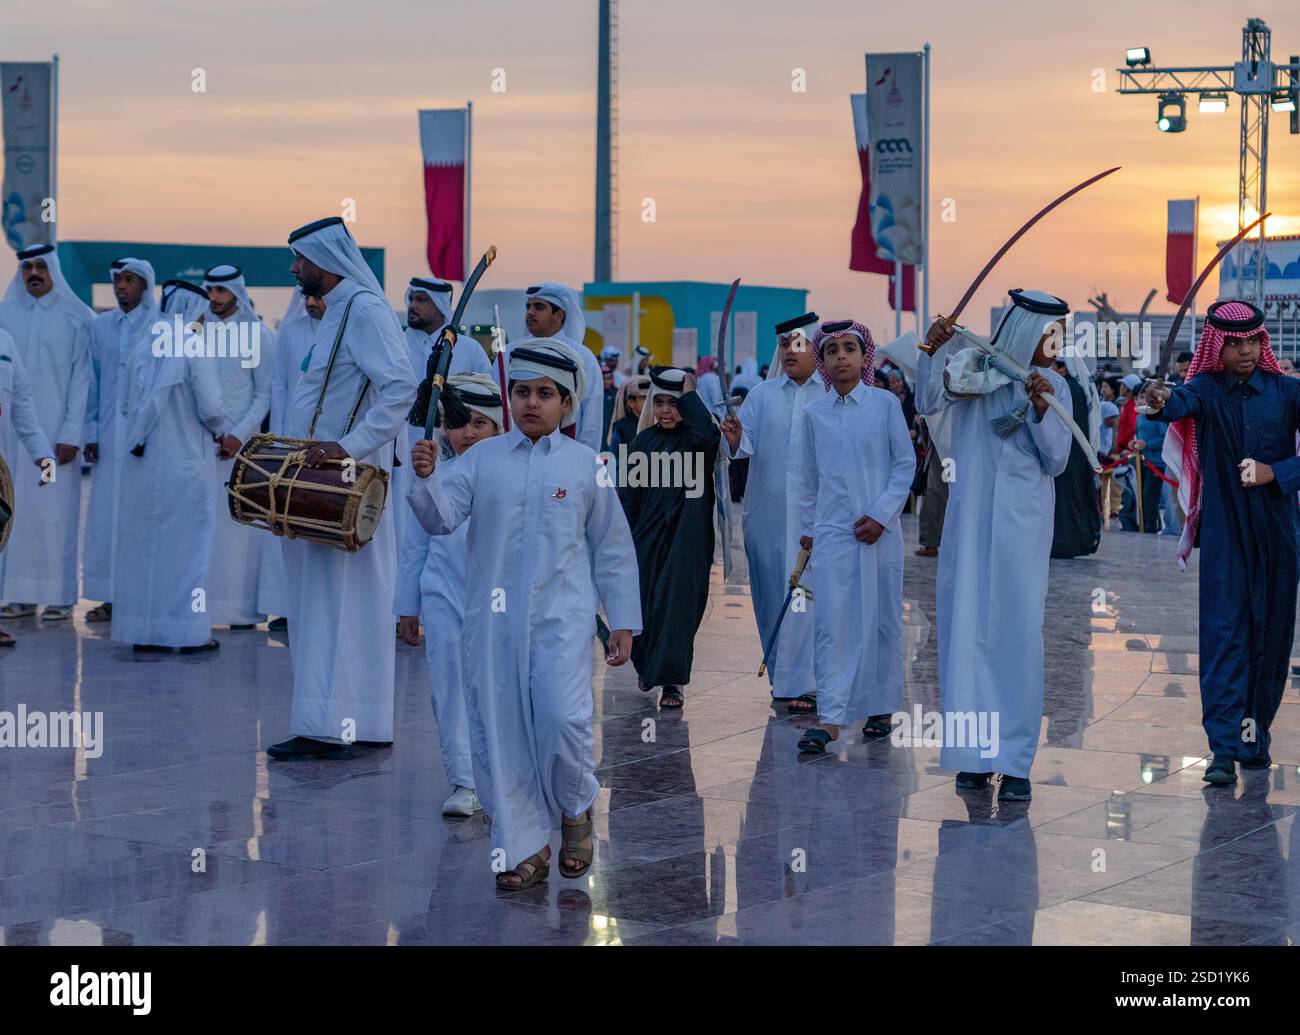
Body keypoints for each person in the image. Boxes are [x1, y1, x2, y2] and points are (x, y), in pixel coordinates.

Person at [406, 337, 640, 889]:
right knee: (502, 730)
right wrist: (424, 478)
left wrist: (623, 619)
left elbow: (612, 547)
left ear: (566, 404)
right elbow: (440, 519)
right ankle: (523, 846)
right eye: (522, 392)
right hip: (491, 625)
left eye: (545, 394)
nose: (531, 403)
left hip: (562, 621)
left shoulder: (588, 466)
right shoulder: (482, 459)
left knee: (562, 720)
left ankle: (576, 807)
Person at [266, 217, 417, 761]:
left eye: (299, 259)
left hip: (346, 482)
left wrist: (350, 447)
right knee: (318, 601)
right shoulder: (336, 312)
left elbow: (401, 388)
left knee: (347, 600)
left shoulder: (366, 310)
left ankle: (344, 724)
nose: (293, 269)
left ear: (324, 260)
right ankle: (323, 721)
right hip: (315, 480)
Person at [917, 289, 1073, 801]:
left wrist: (1039, 405)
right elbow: (929, 402)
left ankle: (1015, 761)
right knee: (964, 631)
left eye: (1060, 336)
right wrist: (932, 351)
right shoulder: (969, 369)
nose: (1055, 345)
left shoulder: (1054, 386)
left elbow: (1056, 459)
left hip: (1021, 529)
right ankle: (972, 758)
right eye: (1049, 335)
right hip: (969, 524)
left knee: (1016, 637)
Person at [1144, 300, 1300, 785]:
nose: (1246, 352)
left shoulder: (1287, 391)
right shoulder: (1206, 389)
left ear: (1263, 342)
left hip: (1277, 536)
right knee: (1223, 637)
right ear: (1219, 347)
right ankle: (1222, 749)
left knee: (1270, 641)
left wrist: (1277, 472)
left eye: (1253, 341)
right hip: (1225, 535)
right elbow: (1177, 404)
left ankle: (1254, 737)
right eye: (1234, 344)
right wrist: (1158, 400)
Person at [793, 319, 914, 755]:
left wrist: (882, 515)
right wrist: (808, 532)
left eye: (850, 349)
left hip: (881, 534)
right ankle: (831, 717)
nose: (841, 357)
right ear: (822, 361)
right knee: (832, 624)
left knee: (882, 620)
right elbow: (806, 479)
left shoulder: (884, 405)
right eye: (832, 351)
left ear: (865, 357)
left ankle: (880, 707)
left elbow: (904, 466)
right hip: (833, 535)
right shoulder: (813, 414)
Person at [397, 373, 503, 817]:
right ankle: (463, 780)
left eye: (481, 423)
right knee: (449, 687)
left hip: (497, 603)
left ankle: (502, 774)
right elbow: (415, 543)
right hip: (442, 596)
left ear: (499, 427)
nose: (469, 433)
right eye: (462, 423)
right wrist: (407, 607)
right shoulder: (433, 473)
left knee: (496, 689)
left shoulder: (511, 474)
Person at [111, 277, 230, 653]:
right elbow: (212, 409)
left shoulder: (142, 346)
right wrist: (222, 429)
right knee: (187, 552)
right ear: (192, 310)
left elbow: (128, 407)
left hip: (142, 467)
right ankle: (187, 634)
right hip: (186, 466)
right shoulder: (195, 346)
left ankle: (145, 633)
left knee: (146, 550)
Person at [718, 311, 823, 711]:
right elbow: (742, 448)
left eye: (799, 344)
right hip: (767, 517)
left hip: (813, 519)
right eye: (784, 345)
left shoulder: (828, 397)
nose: (790, 351)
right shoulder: (763, 395)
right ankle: (784, 681)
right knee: (770, 596)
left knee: (807, 600)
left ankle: (807, 682)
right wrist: (734, 435)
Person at [0, 244, 92, 623]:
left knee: (55, 515)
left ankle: (59, 596)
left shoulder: (76, 318)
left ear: (53, 269)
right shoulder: (5, 316)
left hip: (55, 442)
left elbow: (82, 382)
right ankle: (17, 595)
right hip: (9, 440)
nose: (33, 273)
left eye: (41, 266)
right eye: (27, 267)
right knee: (12, 512)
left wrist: (72, 433)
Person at [617, 367, 718, 709]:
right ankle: (648, 668)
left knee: (676, 608)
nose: (665, 410)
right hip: (647, 537)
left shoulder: (696, 440)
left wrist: (689, 392)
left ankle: (672, 682)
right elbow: (628, 496)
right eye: (658, 402)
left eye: (674, 403)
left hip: (686, 540)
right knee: (643, 605)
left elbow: (709, 432)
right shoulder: (642, 442)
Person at [395, 277, 491, 588]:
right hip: (403, 452)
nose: (413, 306)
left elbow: (487, 404)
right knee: (404, 530)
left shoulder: (470, 349)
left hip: (457, 453)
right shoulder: (396, 343)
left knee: (447, 525)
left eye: (422, 300)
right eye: (412, 298)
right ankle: (404, 602)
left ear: (439, 305)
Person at [82, 258, 160, 622]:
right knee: (106, 518)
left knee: (140, 514)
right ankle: (109, 596)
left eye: (130, 280)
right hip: (109, 438)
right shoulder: (101, 327)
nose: (121, 287)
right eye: (117, 280)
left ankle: (138, 594)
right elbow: (92, 382)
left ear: (145, 286)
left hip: (147, 440)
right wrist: (90, 431)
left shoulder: (159, 327)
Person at [201, 264, 273, 629]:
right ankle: (204, 610)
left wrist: (238, 434)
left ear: (236, 293)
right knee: (204, 529)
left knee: (239, 531)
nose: (214, 298)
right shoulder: (195, 333)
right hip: (201, 448)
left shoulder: (257, 335)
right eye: (210, 290)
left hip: (241, 451)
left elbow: (264, 394)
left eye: (221, 292)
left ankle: (241, 610)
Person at [256, 291, 325, 628]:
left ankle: (317, 607)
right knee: (286, 523)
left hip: (328, 444)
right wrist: (282, 439)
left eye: (317, 297)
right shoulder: (290, 331)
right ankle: (285, 607)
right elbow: (279, 387)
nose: (311, 303)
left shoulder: (344, 328)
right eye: (306, 298)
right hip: (290, 442)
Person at [522, 283, 603, 452]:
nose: (530, 312)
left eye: (539, 307)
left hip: (567, 454)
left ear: (559, 315)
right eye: (528, 306)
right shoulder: (511, 352)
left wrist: (583, 460)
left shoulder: (582, 357)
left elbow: (592, 417)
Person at [1049, 355, 1101, 557]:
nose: (1053, 367)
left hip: (1068, 454)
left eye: (1058, 365)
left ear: (1066, 368)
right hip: (1078, 455)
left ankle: (1064, 543)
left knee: (1065, 501)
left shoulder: (1067, 388)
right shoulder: (1078, 388)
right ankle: (1079, 540)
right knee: (1076, 498)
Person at [606, 374, 647, 451]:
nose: (648, 402)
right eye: (643, 398)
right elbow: (614, 457)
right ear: (631, 403)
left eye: (650, 398)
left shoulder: (657, 424)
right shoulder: (621, 428)